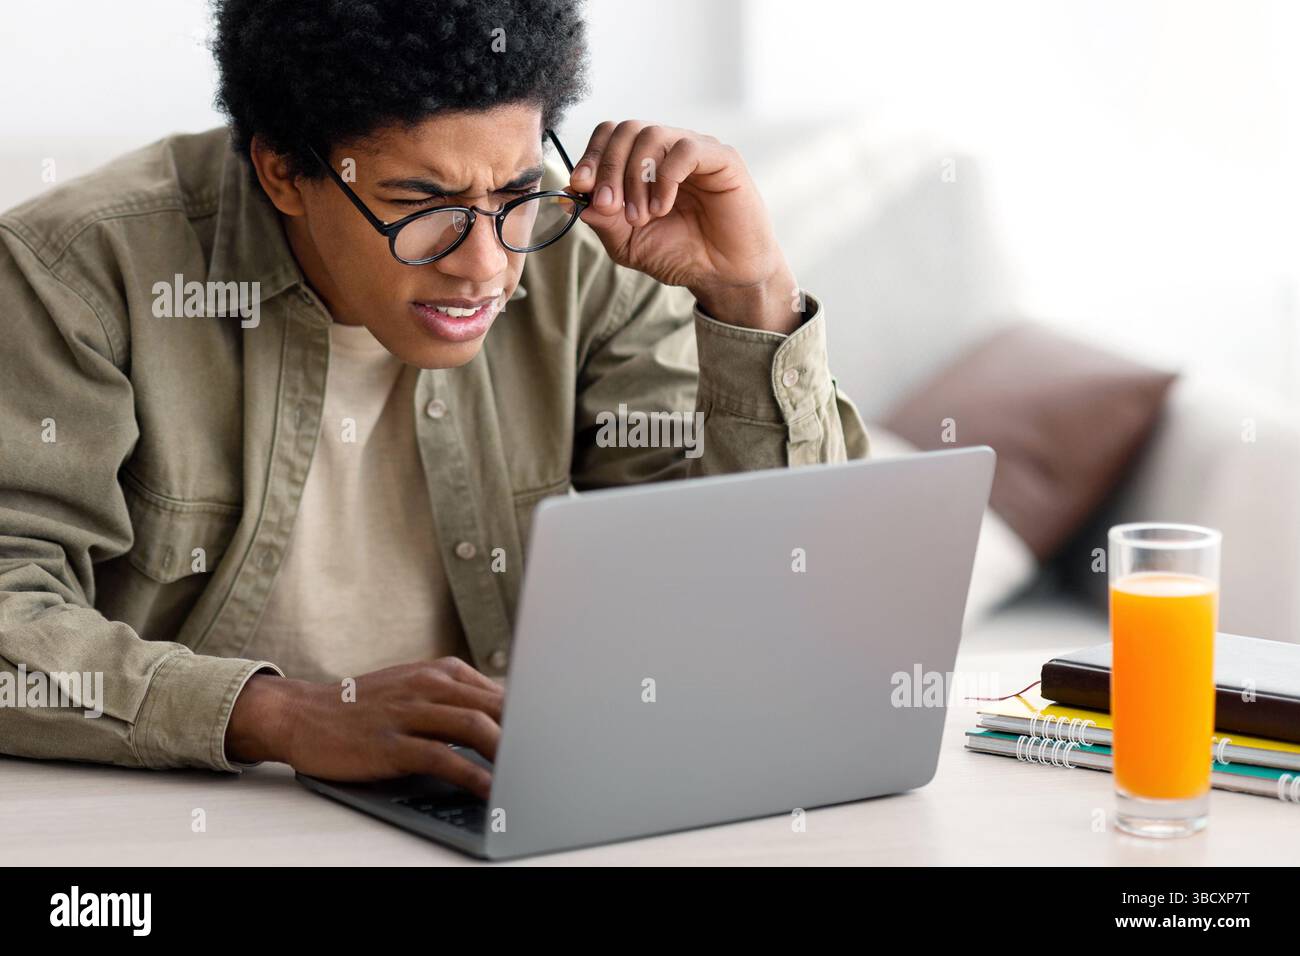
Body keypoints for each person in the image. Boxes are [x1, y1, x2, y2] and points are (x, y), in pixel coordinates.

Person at [0, 0, 868, 799]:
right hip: (190, 819)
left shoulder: (592, 256)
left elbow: (767, 605)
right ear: (281, 173)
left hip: (505, 808)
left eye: (516, 193)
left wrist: (752, 298)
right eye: (422, 204)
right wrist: (285, 717)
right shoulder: (76, 273)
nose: (486, 264)